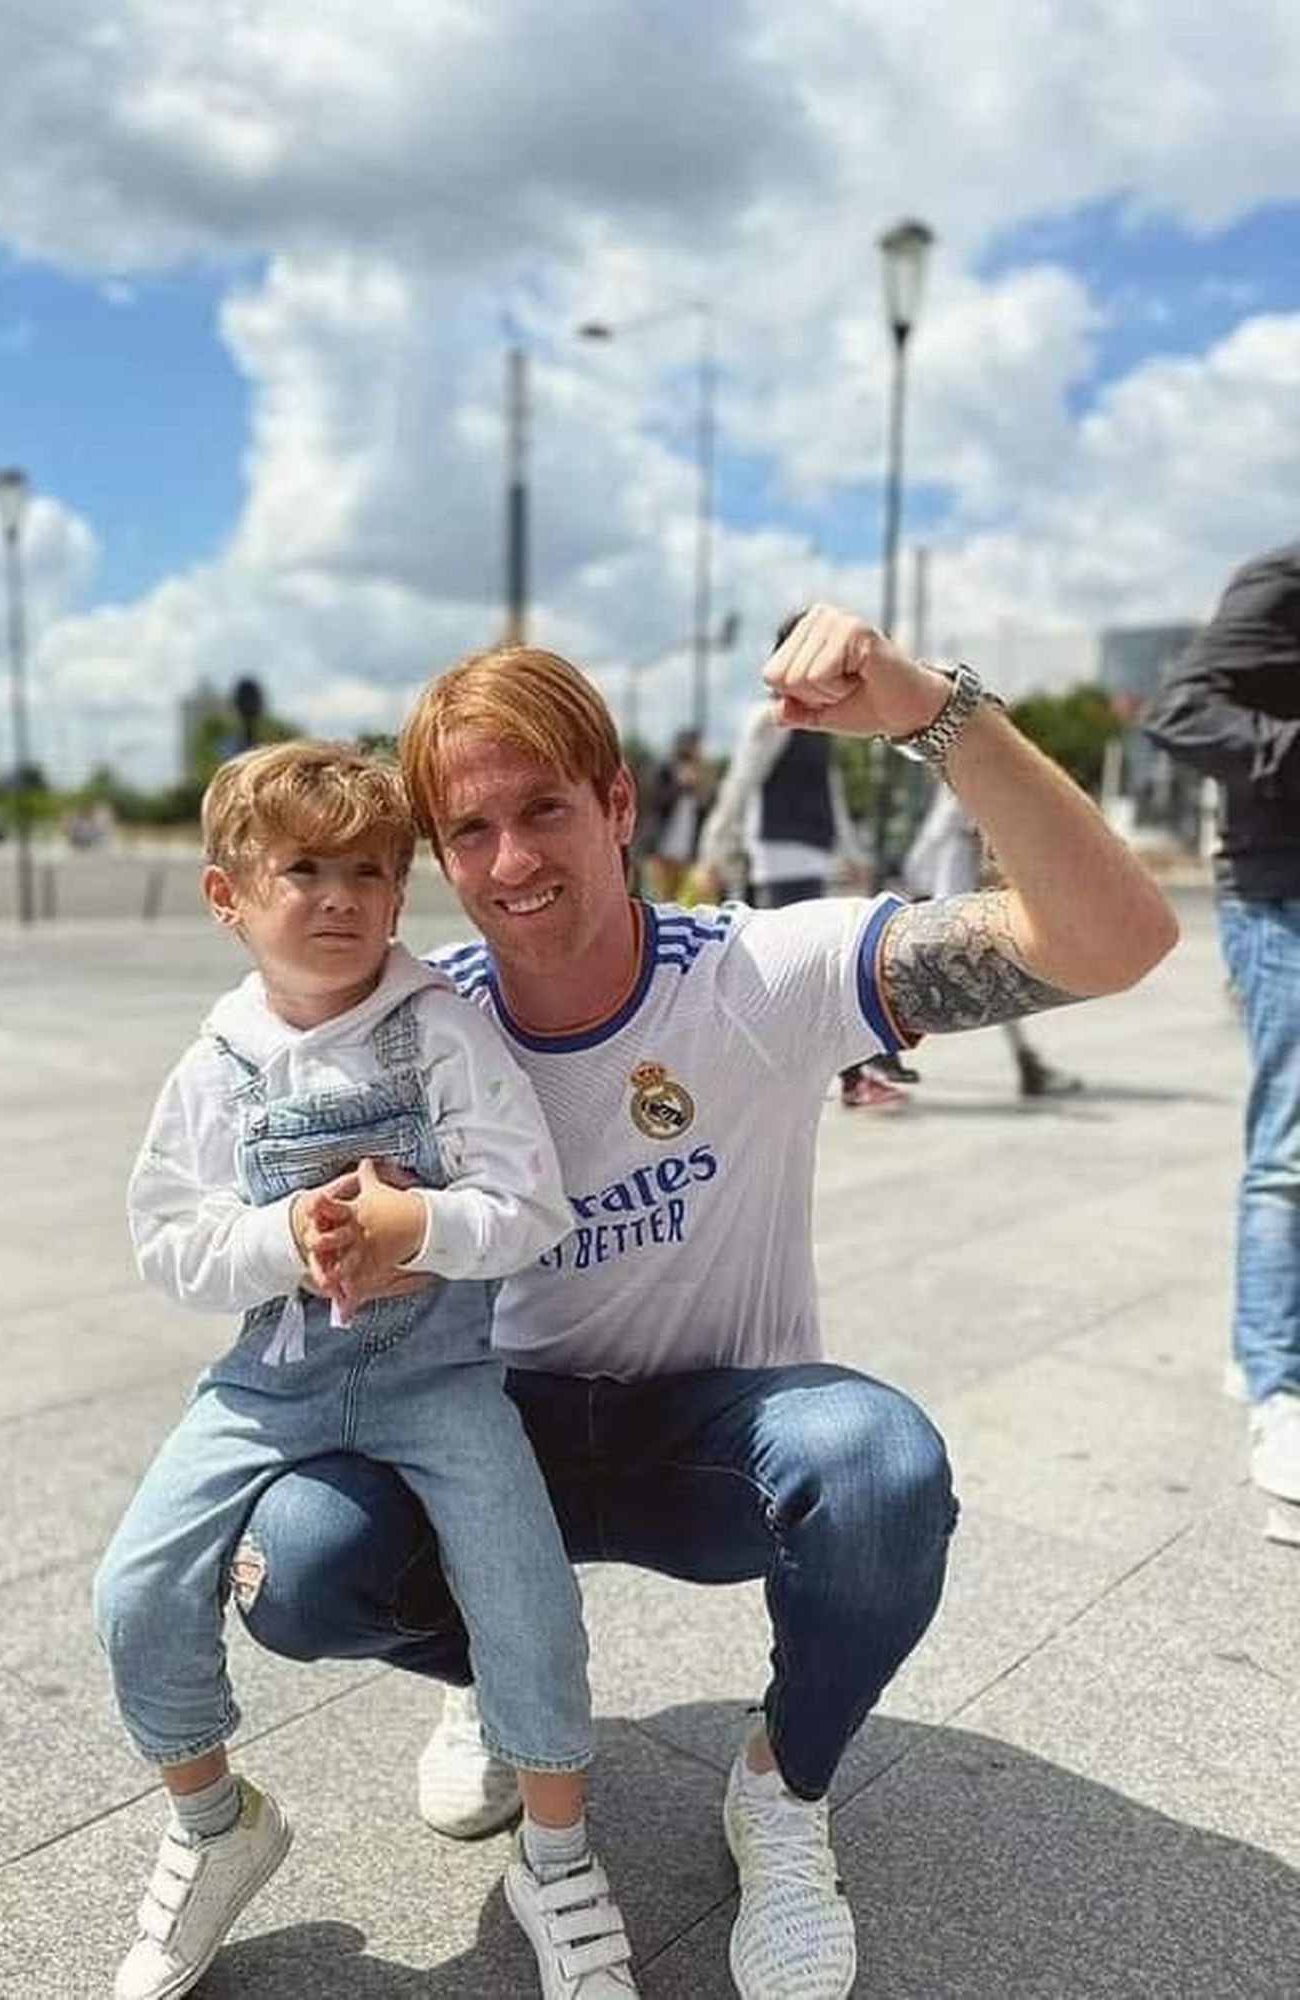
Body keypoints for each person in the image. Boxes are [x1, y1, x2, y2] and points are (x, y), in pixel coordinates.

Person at [224, 608, 1176, 1999]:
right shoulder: (423, 1034)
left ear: (619, 806)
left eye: (543, 808)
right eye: (469, 832)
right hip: (501, 1449)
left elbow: (1116, 940)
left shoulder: (755, 975)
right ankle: (506, 1677)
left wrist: (933, 711)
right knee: (295, 1560)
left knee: (878, 1469)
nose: (512, 862)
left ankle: (783, 1787)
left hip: (712, 1436)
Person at [94, 742, 631, 2000]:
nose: (339, 898)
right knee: (135, 1587)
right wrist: (280, 1240)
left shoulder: (436, 1031)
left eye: (370, 872)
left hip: (439, 1379)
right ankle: (215, 1821)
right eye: (303, 869)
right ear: (228, 894)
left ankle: (556, 1855)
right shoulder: (214, 1067)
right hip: (270, 1381)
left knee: (527, 1598)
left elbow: (530, 1201)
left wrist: (420, 1229)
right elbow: (168, 1242)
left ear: (401, 894)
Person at [1141, 541, 1300, 1530]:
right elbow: (1178, 712)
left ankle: (1259, 1341)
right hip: (1280, 892)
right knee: (1290, 1149)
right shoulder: (1283, 580)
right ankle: (1278, 1393)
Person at [691, 679, 904, 1111]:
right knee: (809, 970)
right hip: (779, 852)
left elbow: (835, 800)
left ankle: (847, 1076)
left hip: (815, 853)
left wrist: (852, 853)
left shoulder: (821, 728)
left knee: (805, 970)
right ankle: (855, 1077)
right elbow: (740, 784)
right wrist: (712, 850)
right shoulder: (769, 720)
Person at [901, 777, 1083, 1100]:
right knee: (982, 974)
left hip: (943, 879)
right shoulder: (967, 766)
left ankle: (1028, 1064)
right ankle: (868, 1060)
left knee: (980, 976)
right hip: (948, 885)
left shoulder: (958, 764)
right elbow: (948, 826)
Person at [639, 726, 710, 901]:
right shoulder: (664, 769)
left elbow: (703, 811)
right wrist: (679, 785)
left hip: (685, 852)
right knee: (659, 899)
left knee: (682, 902)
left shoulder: (698, 774)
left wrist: (699, 788)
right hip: (661, 850)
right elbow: (655, 802)